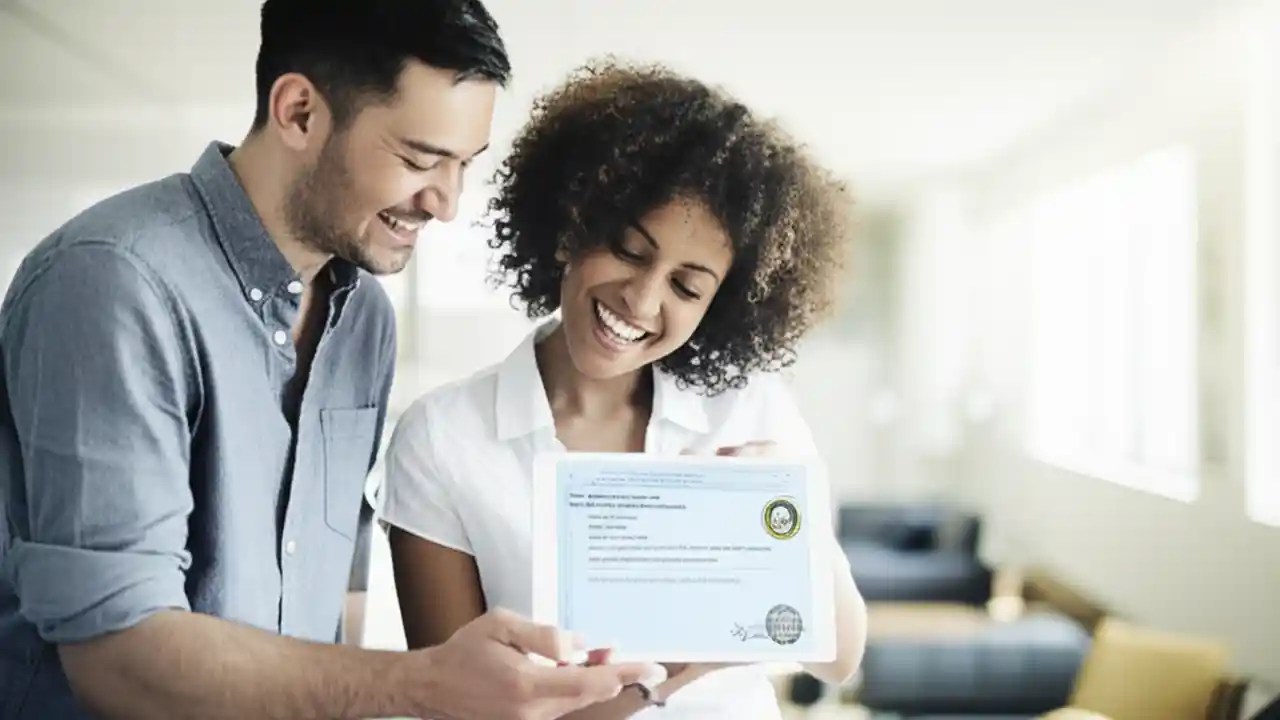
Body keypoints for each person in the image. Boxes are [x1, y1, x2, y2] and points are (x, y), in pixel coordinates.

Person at [0, 3, 661, 719]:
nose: (445, 203)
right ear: (299, 113)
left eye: (464, 164)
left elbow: (333, 595)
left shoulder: (362, 319)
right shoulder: (113, 282)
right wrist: (421, 683)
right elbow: (117, 655)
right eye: (419, 160)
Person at [378, 60, 868, 719]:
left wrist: (787, 516)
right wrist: (677, 663)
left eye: (686, 287)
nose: (641, 300)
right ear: (572, 226)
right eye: (630, 251)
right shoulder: (443, 439)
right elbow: (458, 711)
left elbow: (839, 656)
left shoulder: (748, 408)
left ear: (718, 308)